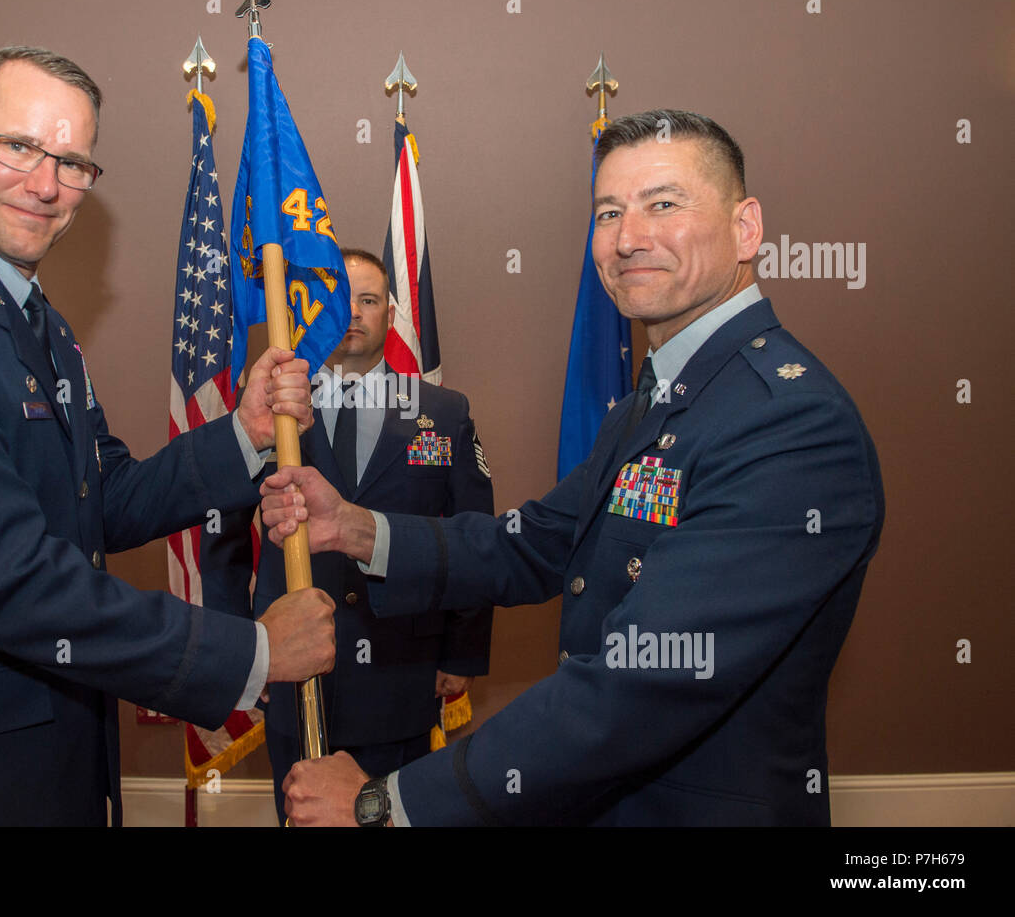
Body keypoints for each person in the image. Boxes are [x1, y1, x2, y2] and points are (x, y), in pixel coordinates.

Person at [261, 110, 885, 826]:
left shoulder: (789, 423)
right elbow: (530, 542)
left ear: (747, 229)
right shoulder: (646, 407)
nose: (629, 237)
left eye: (664, 204)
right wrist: (355, 527)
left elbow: (635, 686)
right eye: (609, 211)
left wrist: (386, 800)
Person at [0, 46, 335, 826]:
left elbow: (102, 498)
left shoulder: (41, 323)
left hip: (61, 769)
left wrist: (244, 432)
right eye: (18, 146)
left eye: (74, 162)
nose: (46, 184)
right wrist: (250, 655)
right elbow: (10, 576)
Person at [204, 249, 494, 823]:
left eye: (368, 301)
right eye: (342, 300)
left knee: (391, 811)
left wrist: (460, 651)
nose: (355, 314)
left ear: (389, 314)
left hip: (400, 667)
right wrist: (240, 650)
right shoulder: (271, 410)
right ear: (315, 311)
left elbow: (474, 540)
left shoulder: (442, 413)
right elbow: (225, 537)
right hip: (294, 664)